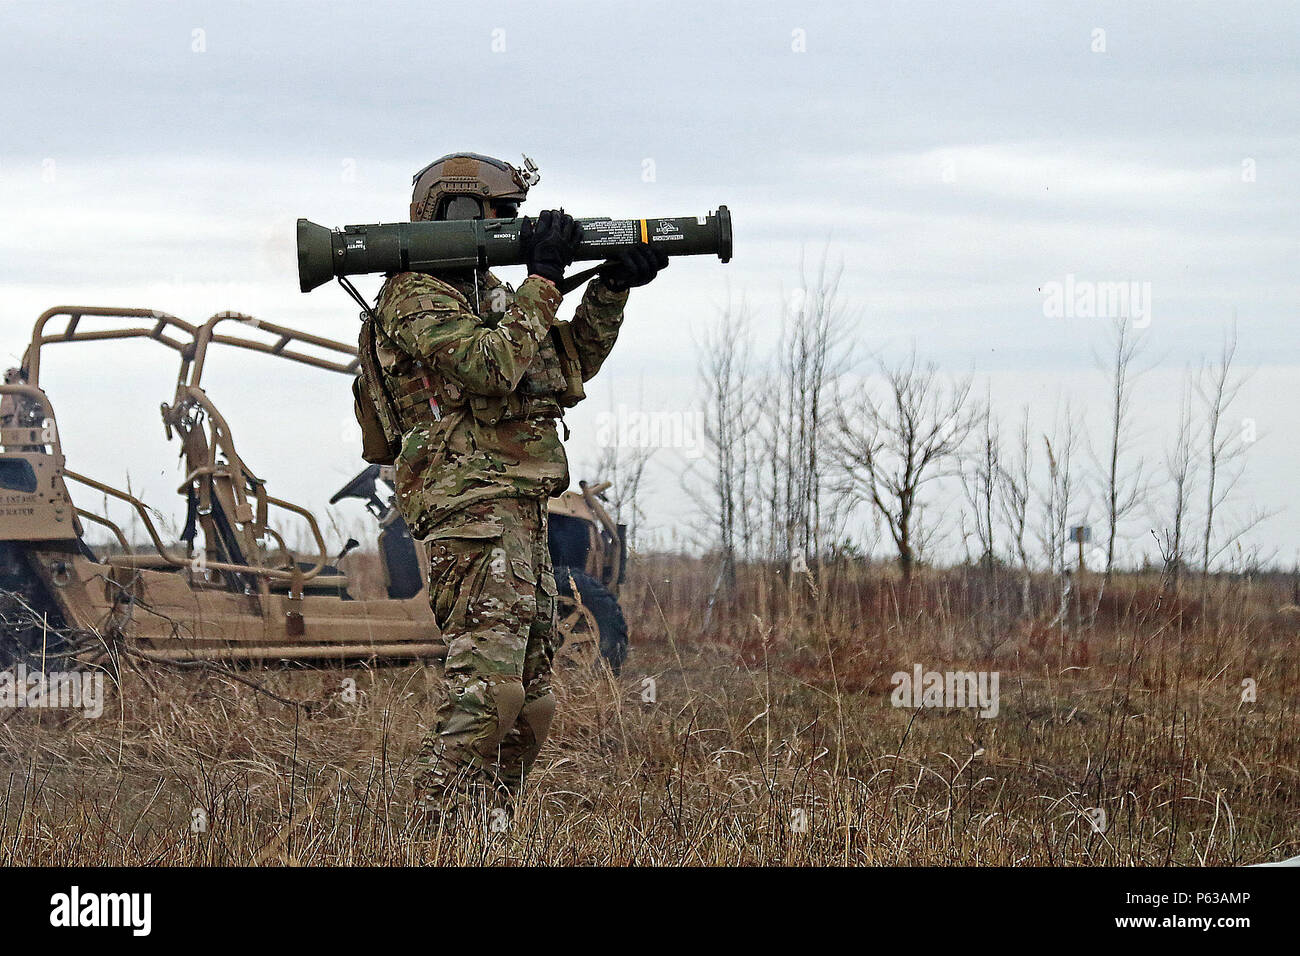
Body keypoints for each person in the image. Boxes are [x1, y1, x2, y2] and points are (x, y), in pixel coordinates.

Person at [363, 152, 666, 816]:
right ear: (459, 212)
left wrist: (611, 289)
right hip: (468, 511)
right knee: (487, 691)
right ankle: (431, 833)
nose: (510, 228)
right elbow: (489, 366)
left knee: (531, 701)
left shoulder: (490, 297)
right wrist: (543, 280)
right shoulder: (412, 296)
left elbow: (562, 364)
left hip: (520, 507)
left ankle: (488, 828)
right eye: (500, 215)